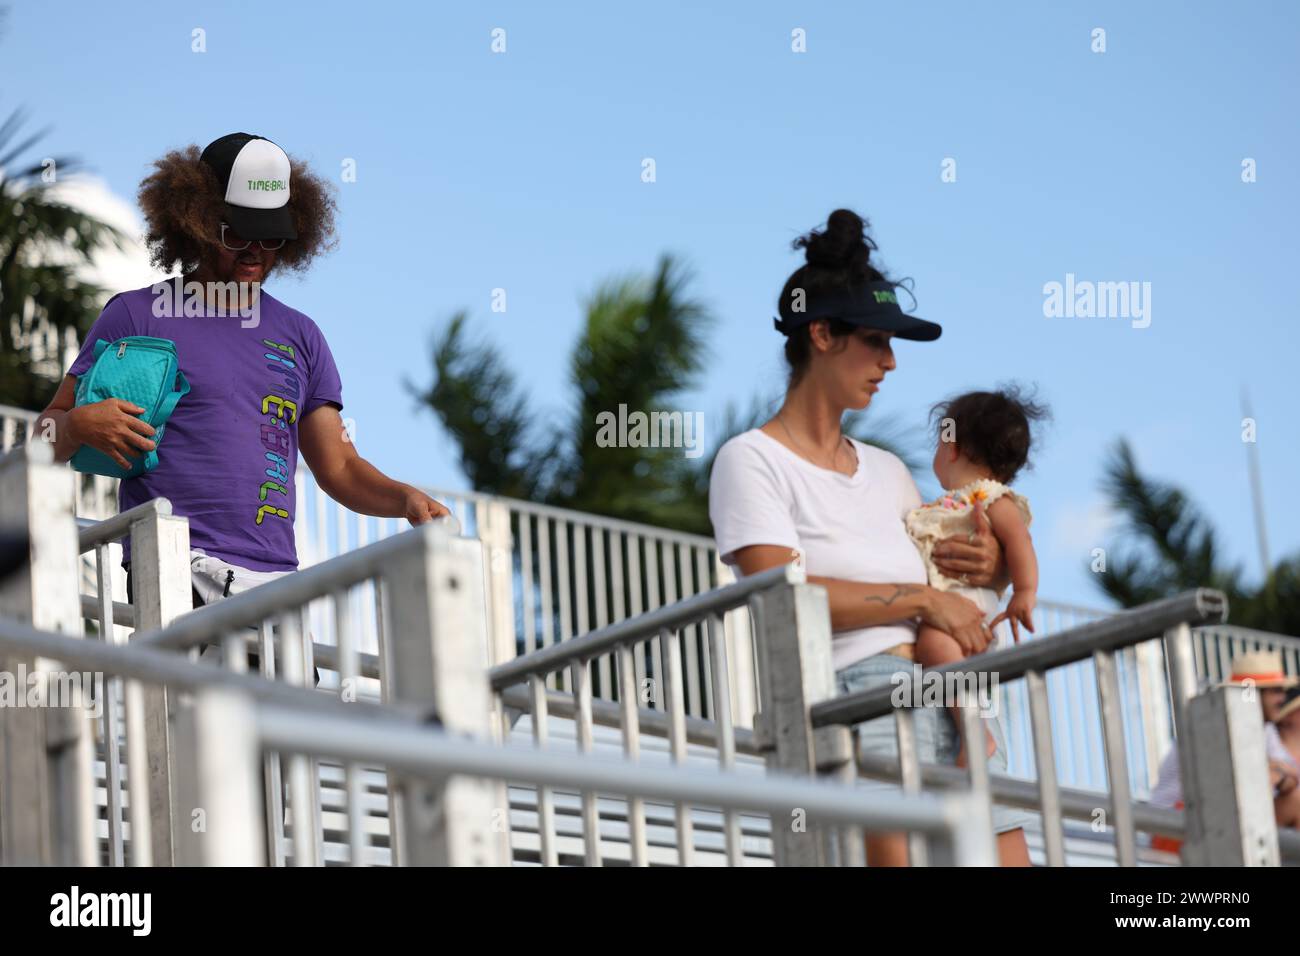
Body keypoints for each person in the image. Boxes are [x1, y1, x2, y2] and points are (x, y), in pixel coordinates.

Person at [708, 208, 1032, 866]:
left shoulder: (887, 470)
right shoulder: (750, 459)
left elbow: (942, 580)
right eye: (877, 342)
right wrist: (920, 603)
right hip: (858, 694)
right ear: (822, 333)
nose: (890, 363)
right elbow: (783, 601)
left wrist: (994, 565)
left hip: (952, 692)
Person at [35, 132, 449, 634]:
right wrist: (78, 424)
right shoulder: (136, 315)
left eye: (270, 236)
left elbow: (339, 466)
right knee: (202, 711)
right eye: (237, 235)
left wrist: (404, 497)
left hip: (278, 581)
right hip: (174, 563)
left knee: (287, 713)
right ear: (196, 224)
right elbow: (43, 439)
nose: (255, 252)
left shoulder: (302, 336)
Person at [905, 387, 1048, 765]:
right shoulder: (950, 503)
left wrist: (1025, 592)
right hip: (953, 602)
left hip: (968, 606)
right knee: (940, 654)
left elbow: (1021, 541)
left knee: (934, 647)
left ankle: (974, 731)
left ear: (951, 447)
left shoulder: (991, 499)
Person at [1148, 650, 1300, 853]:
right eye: (1275, 691)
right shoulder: (1212, 724)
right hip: (1176, 830)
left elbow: (1292, 777)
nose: (1283, 699)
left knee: (1295, 800)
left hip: (1215, 820)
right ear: (1250, 692)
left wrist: (1275, 774)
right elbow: (1227, 788)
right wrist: (1267, 772)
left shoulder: (1264, 729)